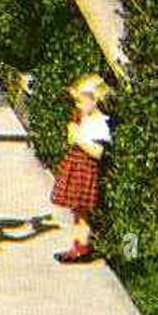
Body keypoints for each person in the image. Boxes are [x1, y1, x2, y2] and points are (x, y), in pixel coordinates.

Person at [51, 73, 112, 264]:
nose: (77, 105)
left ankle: (82, 247)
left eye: (80, 101)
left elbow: (98, 152)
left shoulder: (100, 123)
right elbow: (73, 141)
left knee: (83, 213)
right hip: (77, 166)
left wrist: (79, 138)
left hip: (86, 169)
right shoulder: (85, 118)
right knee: (77, 211)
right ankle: (76, 245)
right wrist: (73, 132)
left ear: (94, 100)